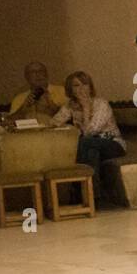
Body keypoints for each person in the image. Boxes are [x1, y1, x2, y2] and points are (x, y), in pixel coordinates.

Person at [51, 71, 126, 200]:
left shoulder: (101, 104)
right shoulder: (70, 106)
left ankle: (77, 192)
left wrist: (86, 108)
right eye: (76, 85)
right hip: (90, 146)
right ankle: (93, 199)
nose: (81, 89)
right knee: (91, 153)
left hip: (112, 144)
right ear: (70, 89)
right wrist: (66, 126)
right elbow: (53, 123)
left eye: (85, 84)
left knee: (84, 142)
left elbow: (90, 131)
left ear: (90, 87)